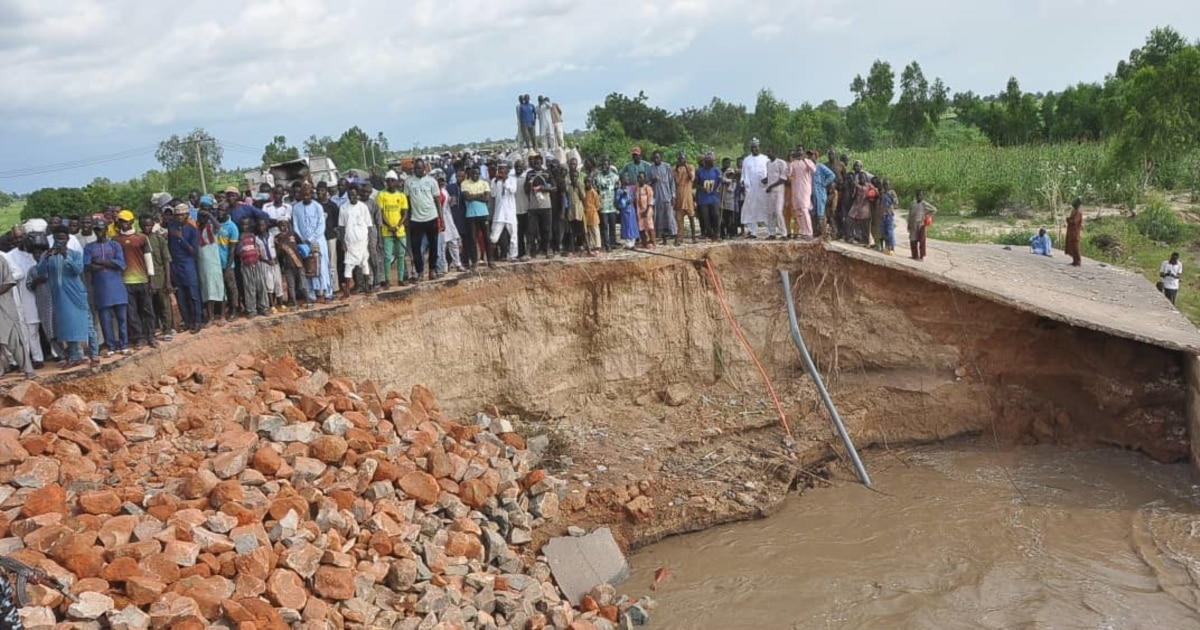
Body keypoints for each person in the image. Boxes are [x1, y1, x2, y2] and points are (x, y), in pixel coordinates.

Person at [34, 226, 93, 367]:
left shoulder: (74, 254)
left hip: (73, 294)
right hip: (58, 296)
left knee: (79, 325)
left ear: (67, 239)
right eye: (56, 238)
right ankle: (73, 357)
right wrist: (45, 259)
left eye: (62, 238)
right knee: (65, 327)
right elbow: (40, 271)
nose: (59, 241)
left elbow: (77, 270)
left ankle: (87, 354)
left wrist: (66, 257)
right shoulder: (48, 254)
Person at [83, 218, 128, 356]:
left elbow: (121, 263)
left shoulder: (115, 245)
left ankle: (124, 344)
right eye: (96, 229)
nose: (99, 232)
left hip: (117, 287)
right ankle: (111, 346)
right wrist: (110, 263)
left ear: (106, 230)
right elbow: (87, 265)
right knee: (105, 320)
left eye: (101, 229)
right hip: (101, 288)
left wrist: (102, 262)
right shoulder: (89, 247)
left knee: (122, 319)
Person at [114, 209, 157, 348]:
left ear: (132, 222)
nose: (123, 224)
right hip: (125, 282)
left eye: (125, 221)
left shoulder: (142, 238)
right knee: (132, 313)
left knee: (147, 310)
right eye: (120, 221)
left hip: (142, 279)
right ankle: (139, 337)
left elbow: (148, 258)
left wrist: (151, 278)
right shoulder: (115, 240)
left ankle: (151, 336)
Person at [404, 159, 442, 281]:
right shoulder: (408, 182)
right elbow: (407, 202)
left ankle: (432, 270)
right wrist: (407, 219)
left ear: (424, 168)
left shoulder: (432, 181)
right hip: (416, 219)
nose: (417, 170)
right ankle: (420, 272)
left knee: (434, 246)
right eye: (415, 168)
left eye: (420, 168)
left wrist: (442, 219)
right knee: (416, 248)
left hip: (431, 217)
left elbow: (437, 201)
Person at [294, 183, 332, 302]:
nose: (306, 197)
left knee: (323, 266)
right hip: (304, 243)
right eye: (303, 194)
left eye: (308, 194)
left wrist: (311, 238)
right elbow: (295, 225)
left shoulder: (318, 207)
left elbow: (321, 225)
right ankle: (312, 295)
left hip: (318, 240)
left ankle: (327, 293)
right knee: (308, 267)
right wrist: (302, 239)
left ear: (311, 194)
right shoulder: (296, 208)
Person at [139, 214, 174, 341]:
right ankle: (152, 330)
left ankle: (168, 329)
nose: (146, 227)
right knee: (149, 306)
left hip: (160, 277)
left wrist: (168, 281)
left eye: (149, 225)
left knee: (164, 304)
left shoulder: (159, 239)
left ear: (153, 225)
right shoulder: (139, 239)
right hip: (144, 279)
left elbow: (166, 260)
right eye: (144, 225)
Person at [0, 252, 34, 379]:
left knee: (14, 341)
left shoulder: (1, 259)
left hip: (4, 308)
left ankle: (28, 370)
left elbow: (9, 282)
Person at [339, 186, 373, 296]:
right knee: (348, 265)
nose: (352, 197)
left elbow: (369, 225)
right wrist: (343, 242)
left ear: (358, 194)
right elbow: (341, 227)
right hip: (350, 242)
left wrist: (370, 240)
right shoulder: (343, 208)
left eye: (354, 195)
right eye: (350, 195)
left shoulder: (363, 207)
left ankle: (367, 287)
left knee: (364, 263)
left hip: (362, 241)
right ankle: (348, 290)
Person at [376, 171, 408, 287]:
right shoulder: (381, 195)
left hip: (400, 231)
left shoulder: (401, 196)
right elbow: (381, 212)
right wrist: (390, 226)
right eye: (388, 180)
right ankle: (388, 280)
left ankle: (400, 279)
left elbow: (404, 213)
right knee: (387, 257)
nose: (390, 183)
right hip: (387, 232)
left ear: (396, 182)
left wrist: (398, 226)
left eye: (392, 180)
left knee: (401, 255)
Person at [195, 209, 227, 323]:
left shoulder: (211, 228)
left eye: (204, 216)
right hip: (202, 265)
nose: (202, 219)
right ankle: (211, 317)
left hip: (214, 264)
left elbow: (218, 226)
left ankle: (222, 316)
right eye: (200, 216)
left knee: (219, 289)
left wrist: (209, 215)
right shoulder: (196, 230)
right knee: (207, 292)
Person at [524, 152, 555, 259]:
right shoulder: (529, 174)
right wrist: (528, 184)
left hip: (546, 206)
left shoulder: (547, 174)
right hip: (533, 206)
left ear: (542, 163)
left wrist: (543, 188)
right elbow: (526, 190)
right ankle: (528, 252)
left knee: (546, 229)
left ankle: (547, 250)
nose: (537, 164)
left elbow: (554, 188)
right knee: (531, 230)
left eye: (539, 163)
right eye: (535, 163)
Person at [234, 218, 268, 316]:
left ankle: (263, 307)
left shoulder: (253, 236)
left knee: (261, 285)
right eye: (243, 225)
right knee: (249, 287)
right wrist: (240, 240)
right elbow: (238, 251)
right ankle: (251, 309)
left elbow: (257, 248)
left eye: (247, 224)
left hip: (256, 263)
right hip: (246, 265)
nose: (245, 227)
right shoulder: (239, 237)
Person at [275, 221, 311, 308]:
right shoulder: (277, 238)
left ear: (288, 225)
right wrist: (279, 243)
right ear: (278, 227)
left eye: (284, 225)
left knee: (303, 283)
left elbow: (301, 244)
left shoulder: (293, 234)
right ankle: (294, 303)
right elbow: (278, 254)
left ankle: (308, 300)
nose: (283, 227)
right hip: (287, 264)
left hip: (298, 262)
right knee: (291, 285)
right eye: (281, 225)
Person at [462, 166, 492, 268]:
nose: (476, 176)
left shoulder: (484, 183)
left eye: (477, 174)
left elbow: (487, 198)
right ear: (470, 174)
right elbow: (467, 197)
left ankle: (490, 260)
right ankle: (474, 261)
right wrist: (479, 195)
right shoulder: (465, 184)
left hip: (483, 214)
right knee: (473, 239)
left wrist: (473, 196)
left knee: (487, 238)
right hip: (471, 215)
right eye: (474, 174)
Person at [489, 163, 519, 263]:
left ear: (507, 170)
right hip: (499, 213)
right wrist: (497, 181)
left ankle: (513, 256)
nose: (501, 170)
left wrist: (505, 180)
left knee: (513, 235)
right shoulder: (494, 180)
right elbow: (493, 194)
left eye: (503, 169)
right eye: (500, 169)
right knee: (494, 236)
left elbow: (513, 190)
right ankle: (491, 256)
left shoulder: (512, 179)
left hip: (510, 212)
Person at [314, 182, 339, 297]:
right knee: (319, 264)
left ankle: (334, 287)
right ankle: (321, 288)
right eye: (318, 190)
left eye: (322, 190)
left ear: (326, 191)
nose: (320, 192)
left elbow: (336, 222)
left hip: (330, 237)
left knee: (332, 264)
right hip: (318, 239)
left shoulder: (332, 206)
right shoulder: (314, 205)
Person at [740, 139, 769, 238]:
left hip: (763, 188)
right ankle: (753, 232)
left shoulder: (765, 158)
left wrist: (767, 179)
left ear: (759, 147)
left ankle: (770, 232)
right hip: (751, 189)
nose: (755, 149)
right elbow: (743, 175)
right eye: (753, 147)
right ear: (750, 148)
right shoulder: (746, 160)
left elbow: (770, 172)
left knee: (766, 208)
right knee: (751, 209)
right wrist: (744, 182)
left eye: (756, 147)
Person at [592, 155, 620, 252]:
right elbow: (595, 190)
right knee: (604, 226)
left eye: (606, 164)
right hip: (603, 205)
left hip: (612, 205)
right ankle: (606, 244)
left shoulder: (615, 177)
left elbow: (617, 190)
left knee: (612, 226)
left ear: (609, 165)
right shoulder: (597, 177)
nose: (604, 166)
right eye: (603, 164)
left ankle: (612, 243)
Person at [648, 151, 676, 245]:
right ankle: (663, 239)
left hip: (667, 196)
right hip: (657, 197)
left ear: (661, 158)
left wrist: (673, 196)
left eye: (658, 157)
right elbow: (648, 183)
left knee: (670, 217)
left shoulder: (667, 167)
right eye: (654, 158)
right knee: (660, 218)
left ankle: (675, 237)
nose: (656, 159)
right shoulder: (650, 168)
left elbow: (672, 182)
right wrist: (653, 180)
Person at [437, 176, 464, 271]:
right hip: (439, 218)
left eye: (443, 180)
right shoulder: (435, 192)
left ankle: (458, 263)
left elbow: (448, 203)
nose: (442, 182)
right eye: (440, 180)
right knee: (442, 244)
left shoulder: (445, 190)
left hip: (448, 217)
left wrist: (451, 201)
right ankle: (443, 266)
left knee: (453, 241)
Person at [789, 149, 816, 239]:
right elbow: (789, 175)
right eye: (798, 151)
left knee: (804, 210)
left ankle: (809, 232)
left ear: (803, 152)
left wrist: (805, 160)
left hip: (805, 190)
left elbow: (813, 170)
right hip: (796, 190)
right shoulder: (793, 163)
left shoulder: (809, 162)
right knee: (798, 211)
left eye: (801, 150)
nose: (799, 152)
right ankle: (803, 231)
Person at [695, 153, 721, 241]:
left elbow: (720, 181)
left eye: (713, 160)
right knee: (705, 217)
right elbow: (695, 184)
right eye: (711, 161)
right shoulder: (699, 171)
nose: (713, 162)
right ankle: (710, 234)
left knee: (716, 215)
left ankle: (716, 233)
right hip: (703, 198)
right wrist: (702, 188)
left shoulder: (716, 171)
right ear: (706, 162)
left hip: (714, 197)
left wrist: (719, 187)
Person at [672, 152, 697, 245]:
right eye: (679, 159)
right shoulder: (674, 169)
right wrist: (678, 168)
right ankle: (679, 238)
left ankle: (694, 237)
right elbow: (674, 181)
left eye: (682, 158)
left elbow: (691, 177)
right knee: (679, 220)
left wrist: (685, 165)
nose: (681, 160)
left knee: (691, 218)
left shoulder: (691, 167)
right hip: (679, 196)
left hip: (688, 196)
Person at [764, 147, 789, 239]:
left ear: (774, 152)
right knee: (770, 213)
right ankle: (772, 233)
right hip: (770, 192)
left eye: (769, 151)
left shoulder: (781, 163)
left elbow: (783, 179)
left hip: (779, 191)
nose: (767, 154)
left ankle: (784, 234)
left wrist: (770, 186)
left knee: (778, 212)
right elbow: (770, 176)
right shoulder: (767, 163)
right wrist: (765, 180)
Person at [907, 189, 937, 261]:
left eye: (920, 195)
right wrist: (909, 224)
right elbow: (910, 215)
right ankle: (914, 255)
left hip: (921, 224)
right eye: (918, 195)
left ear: (922, 196)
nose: (919, 196)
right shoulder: (913, 204)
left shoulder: (924, 204)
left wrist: (927, 216)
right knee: (913, 240)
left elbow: (934, 209)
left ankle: (921, 256)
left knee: (921, 241)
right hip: (913, 224)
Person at [812, 152, 836, 238]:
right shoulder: (809, 168)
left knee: (820, 213)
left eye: (812, 156)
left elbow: (832, 175)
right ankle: (815, 232)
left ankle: (823, 234)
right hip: (812, 194)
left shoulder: (820, 166)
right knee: (813, 213)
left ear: (816, 157)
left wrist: (824, 183)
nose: (810, 157)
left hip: (820, 193)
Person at [616, 174, 639, 250]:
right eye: (626, 179)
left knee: (632, 225)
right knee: (627, 226)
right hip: (624, 211)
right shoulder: (619, 190)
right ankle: (628, 244)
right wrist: (623, 197)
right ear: (622, 180)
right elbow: (617, 202)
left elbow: (632, 197)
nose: (628, 180)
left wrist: (631, 200)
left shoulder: (629, 189)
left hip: (631, 210)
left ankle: (633, 243)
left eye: (628, 178)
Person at [636, 172, 655, 248]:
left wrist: (646, 211)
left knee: (650, 226)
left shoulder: (648, 188)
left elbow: (651, 200)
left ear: (645, 179)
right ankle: (644, 243)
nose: (640, 179)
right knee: (641, 227)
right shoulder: (637, 188)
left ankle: (652, 242)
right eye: (639, 178)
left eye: (642, 178)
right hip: (639, 210)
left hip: (648, 210)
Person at [583, 179, 601, 257]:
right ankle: (591, 246)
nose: (587, 184)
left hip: (593, 213)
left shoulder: (594, 192)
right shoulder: (583, 192)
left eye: (589, 182)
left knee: (595, 230)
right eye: (586, 182)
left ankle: (597, 246)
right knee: (588, 231)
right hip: (585, 213)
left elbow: (598, 205)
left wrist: (593, 210)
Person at [879, 180, 897, 255]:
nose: (886, 186)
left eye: (887, 185)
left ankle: (892, 247)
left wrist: (891, 197)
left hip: (889, 214)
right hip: (883, 215)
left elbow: (896, 202)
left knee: (890, 232)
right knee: (884, 232)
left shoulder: (892, 193)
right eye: (885, 185)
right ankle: (887, 247)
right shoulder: (882, 194)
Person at [1065, 198, 1083, 267]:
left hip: (1075, 232)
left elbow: (1074, 221)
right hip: (1071, 232)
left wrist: (1068, 220)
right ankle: (1074, 261)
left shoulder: (1078, 213)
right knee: (1072, 246)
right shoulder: (1074, 211)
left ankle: (1078, 261)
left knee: (1076, 246)